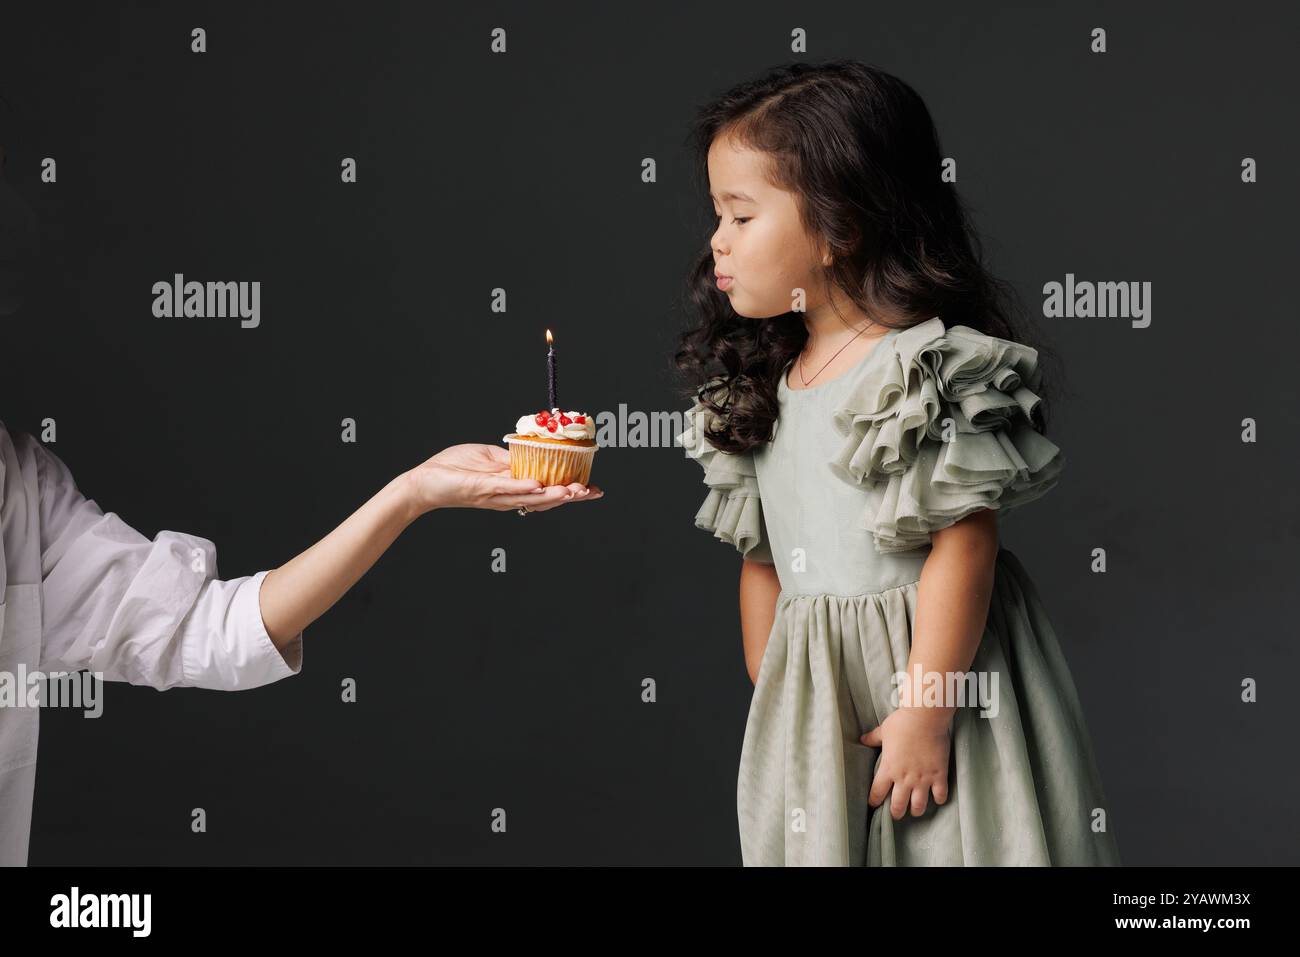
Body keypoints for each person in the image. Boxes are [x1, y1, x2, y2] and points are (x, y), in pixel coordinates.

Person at [674, 60, 1121, 865]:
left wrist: (927, 709)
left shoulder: (921, 372)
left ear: (841, 226)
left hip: (944, 681)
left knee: (960, 842)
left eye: (741, 215)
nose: (718, 241)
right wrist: (782, 689)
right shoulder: (756, 391)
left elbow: (963, 542)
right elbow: (763, 559)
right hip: (823, 698)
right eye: (717, 215)